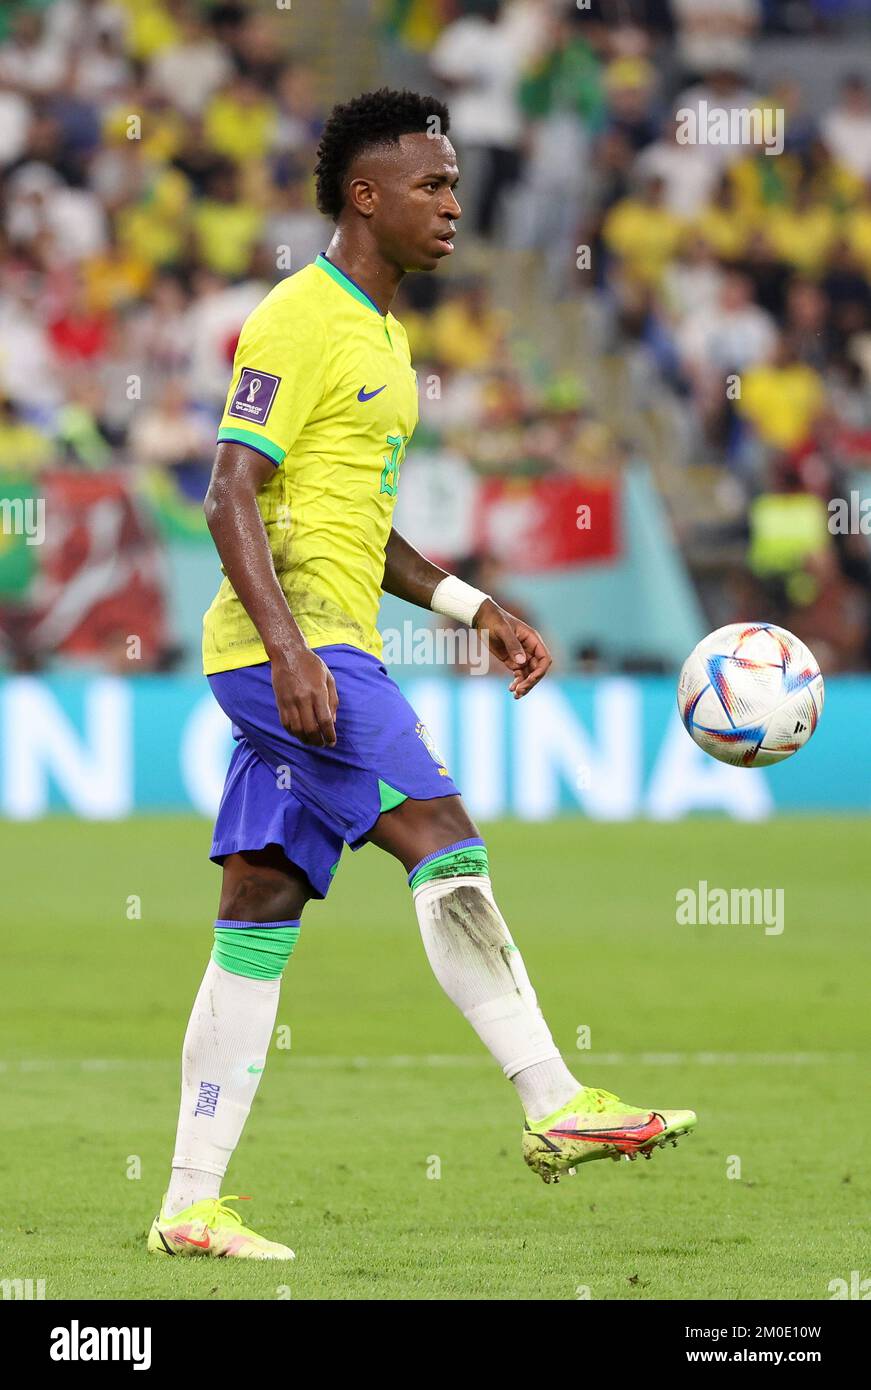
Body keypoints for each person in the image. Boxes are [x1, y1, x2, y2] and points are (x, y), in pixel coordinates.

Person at [147, 88, 696, 1261]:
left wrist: (473, 604)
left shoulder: (387, 340)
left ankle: (188, 1201)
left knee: (258, 910)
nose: (453, 204)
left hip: (321, 642)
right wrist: (293, 651)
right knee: (442, 836)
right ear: (365, 195)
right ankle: (552, 1097)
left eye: (453, 184)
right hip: (293, 654)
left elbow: (357, 527)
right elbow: (227, 491)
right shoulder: (300, 317)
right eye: (432, 185)